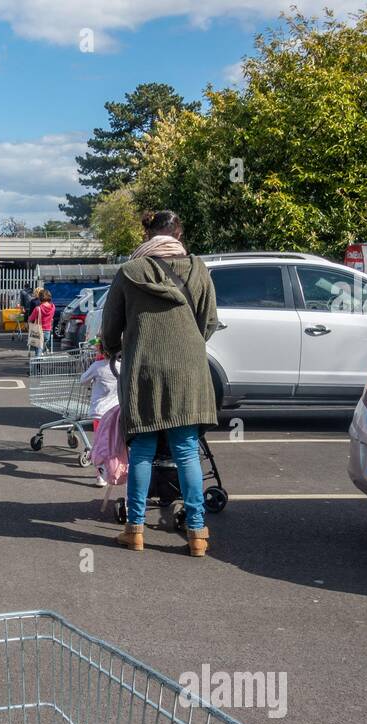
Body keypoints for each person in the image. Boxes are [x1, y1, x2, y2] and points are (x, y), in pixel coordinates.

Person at [101, 209, 218, 557]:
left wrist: (114, 348)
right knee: (185, 451)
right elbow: (209, 322)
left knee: (142, 450)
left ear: (148, 236)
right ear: (177, 235)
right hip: (189, 371)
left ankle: (134, 529)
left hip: (144, 371)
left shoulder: (128, 272)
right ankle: (197, 532)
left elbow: (110, 328)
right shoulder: (198, 269)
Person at [80, 350, 120, 486]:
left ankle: (101, 475)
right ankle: (117, 469)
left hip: (100, 413)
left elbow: (83, 381)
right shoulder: (122, 366)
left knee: (101, 444)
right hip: (116, 412)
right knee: (114, 443)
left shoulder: (97, 366)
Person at [27, 289, 54, 357]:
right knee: (41, 348)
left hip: (38, 331)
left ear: (40, 298)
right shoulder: (53, 307)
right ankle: (39, 360)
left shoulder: (38, 309)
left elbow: (30, 319)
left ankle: (37, 366)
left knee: (38, 351)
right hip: (48, 331)